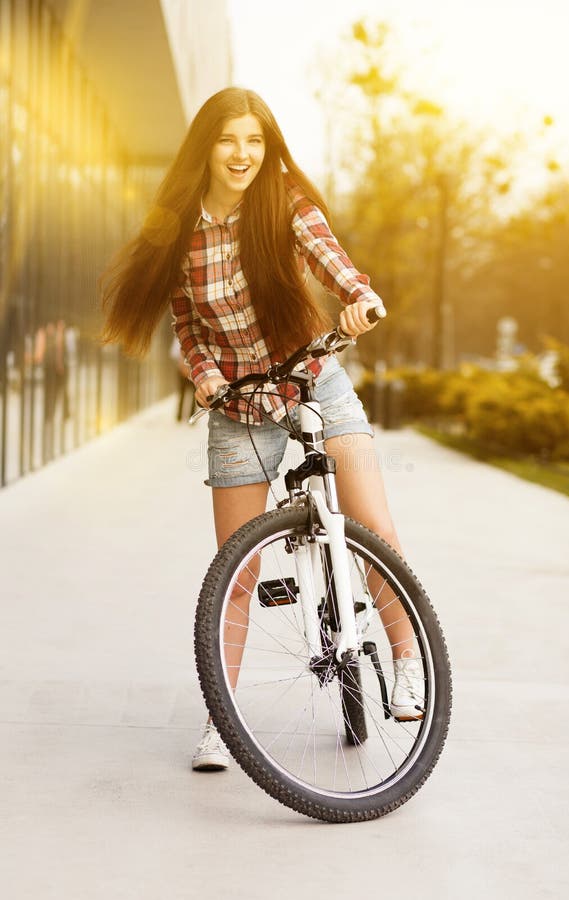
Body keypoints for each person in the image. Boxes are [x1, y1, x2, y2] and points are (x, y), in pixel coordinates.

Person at [101, 87, 423, 773]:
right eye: (228, 140)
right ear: (206, 148)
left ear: (266, 146)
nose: (242, 153)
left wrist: (359, 298)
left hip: (313, 380)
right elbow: (184, 323)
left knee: (376, 532)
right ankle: (226, 720)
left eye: (254, 140)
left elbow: (331, 260)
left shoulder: (282, 204)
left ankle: (405, 665)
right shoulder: (177, 224)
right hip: (237, 408)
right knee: (237, 573)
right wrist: (202, 373)